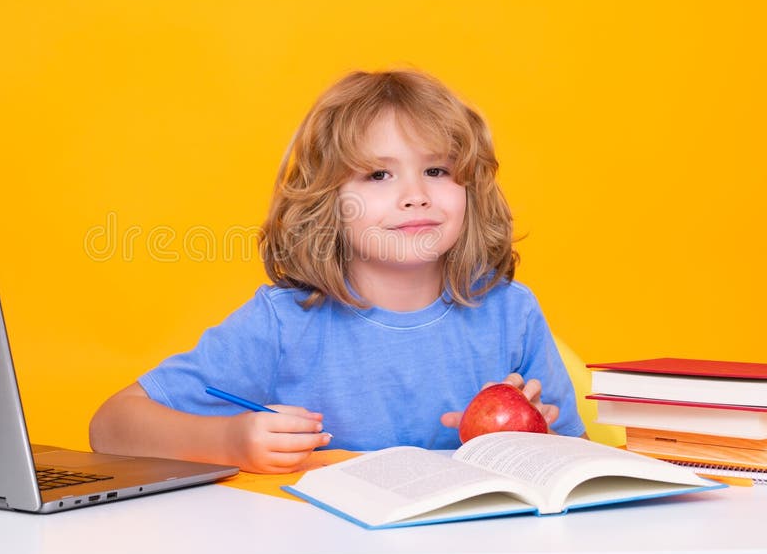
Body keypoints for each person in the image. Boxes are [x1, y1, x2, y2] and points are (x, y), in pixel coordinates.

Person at [89, 69, 586, 473]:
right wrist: (229, 441)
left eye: (437, 170)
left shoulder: (510, 312)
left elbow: (578, 461)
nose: (416, 194)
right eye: (378, 174)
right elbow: (110, 426)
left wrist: (529, 442)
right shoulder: (283, 324)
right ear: (326, 204)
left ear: (470, 192)